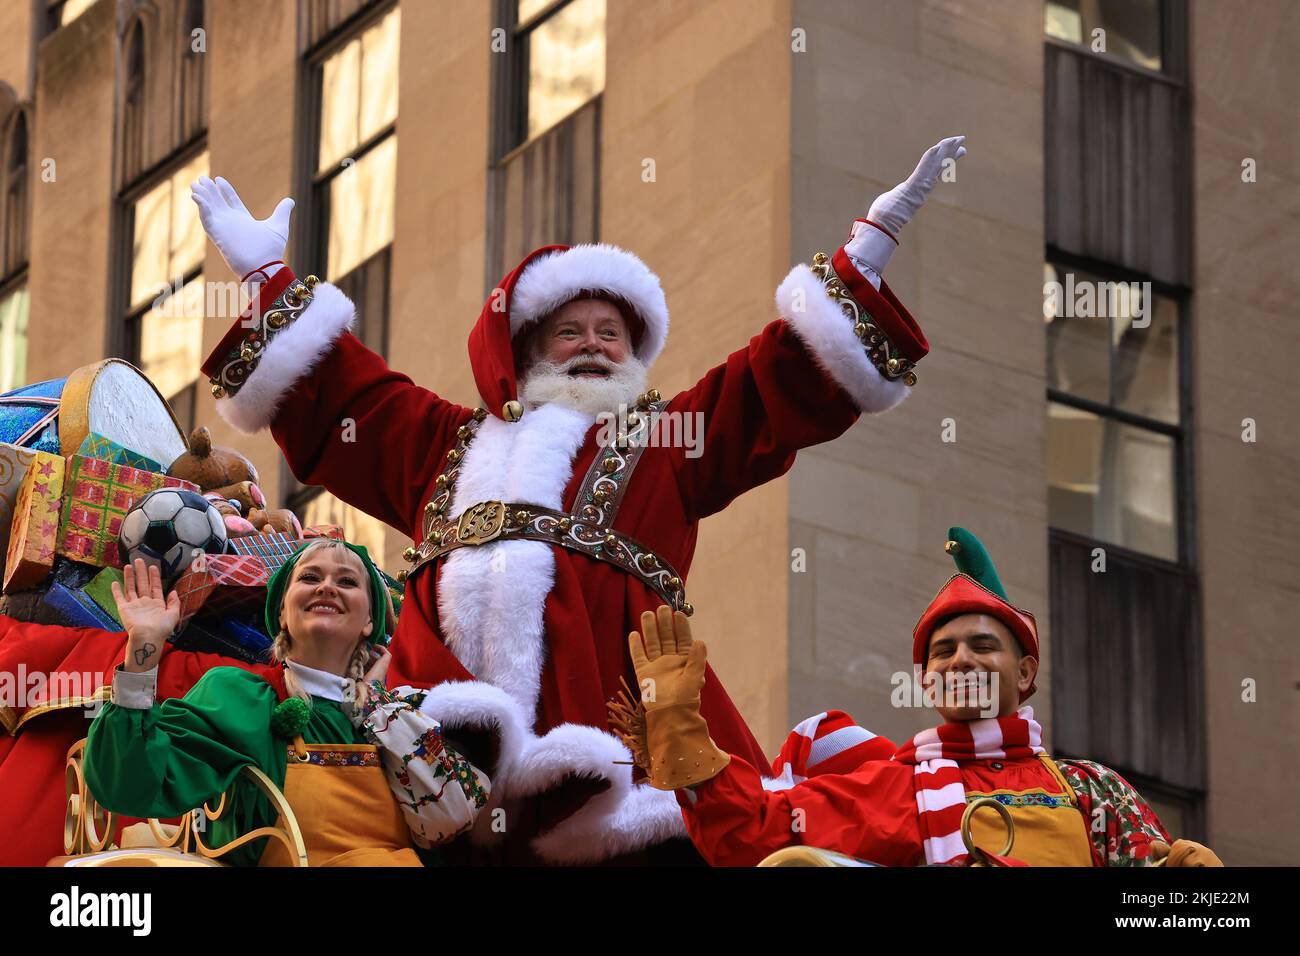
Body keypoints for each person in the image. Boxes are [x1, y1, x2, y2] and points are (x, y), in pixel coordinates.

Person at [193, 137, 965, 862]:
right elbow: (342, 391)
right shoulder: (444, 442)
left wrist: (863, 252)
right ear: (527, 351)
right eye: (571, 331)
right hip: (438, 745)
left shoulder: (667, 441)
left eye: (612, 333)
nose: (595, 344)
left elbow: (771, 385)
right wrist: (265, 273)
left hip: (617, 727)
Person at [611, 528, 1225, 867]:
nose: (961, 658)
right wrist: (678, 725)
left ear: (1026, 673)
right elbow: (748, 837)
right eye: (942, 650)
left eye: (984, 645)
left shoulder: (1089, 789)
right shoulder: (886, 785)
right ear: (928, 681)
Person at [83, 541, 490, 866]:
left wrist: (374, 707)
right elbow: (127, 786)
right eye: (310, 577)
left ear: (370, 620)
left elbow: (458, 816)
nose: (326, 587)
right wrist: (144, 649)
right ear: (282, 612)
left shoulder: (403, 712)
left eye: (347, 582)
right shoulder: (238, 696)